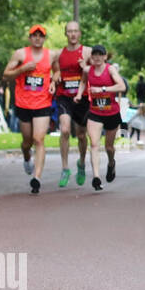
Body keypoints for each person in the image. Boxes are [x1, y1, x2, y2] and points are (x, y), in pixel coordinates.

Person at [1, 24, 57, 193]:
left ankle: (36, 178)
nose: (38, 38)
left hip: (43, 103)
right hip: (23, 103)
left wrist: (54, 81)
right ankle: (27, 157)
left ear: (44, 38)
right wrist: (23, 69)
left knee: (39, 139)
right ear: (30, 38)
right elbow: (6, 74)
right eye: (34, 35)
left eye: (41, 35)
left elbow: (57, 71)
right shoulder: (20, 54)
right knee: (27, 142)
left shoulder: (51, 55)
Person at [77, 45, 125, 190]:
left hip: (111, 113)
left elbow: (121, 86)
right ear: (91, 57)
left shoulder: (110, 69)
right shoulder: (87, 70)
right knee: (94, 144)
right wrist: (79, 94)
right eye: (94, 55)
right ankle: (96, 177)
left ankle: (111, 163)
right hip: (95, 112)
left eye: (100, 55)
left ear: (105, 57)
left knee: (109, 147)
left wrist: (103, 89)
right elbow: (83, 81)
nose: (97, 57)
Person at [50, 20, 90, 187]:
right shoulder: (59, 54)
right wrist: (55, 77)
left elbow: (98, 68)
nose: (73, 34)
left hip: (82, 97)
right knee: (65, 130)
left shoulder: (87, 51)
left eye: (76, 31)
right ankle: (65, 168)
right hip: (64, 96)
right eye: (69, 31)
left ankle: (81, 163)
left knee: (81, 135)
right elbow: (54, 70)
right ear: (65, 34)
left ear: (80, 33)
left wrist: (85, 67)